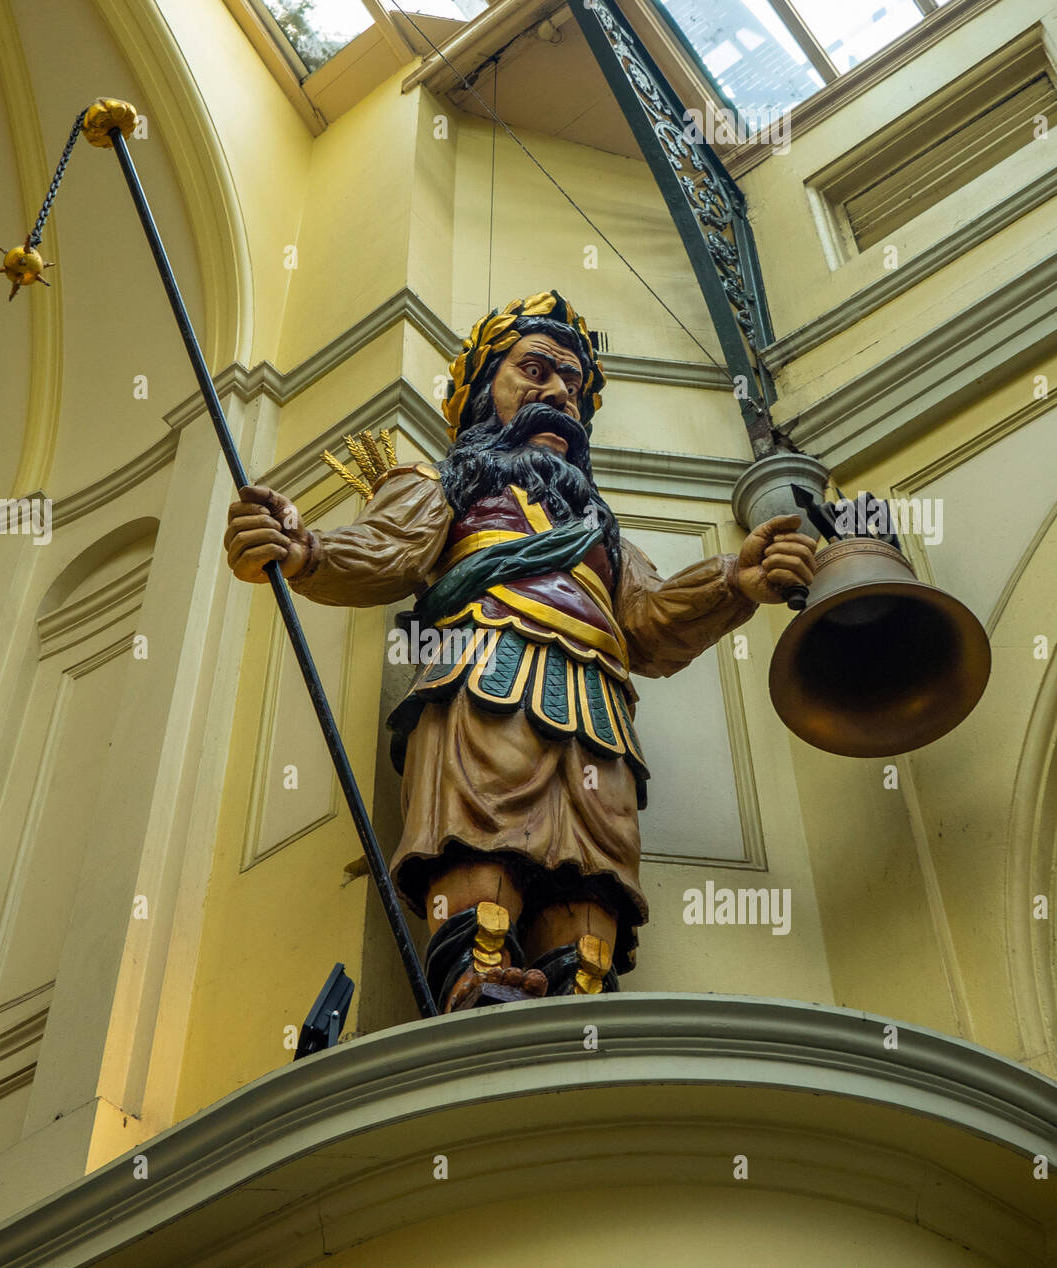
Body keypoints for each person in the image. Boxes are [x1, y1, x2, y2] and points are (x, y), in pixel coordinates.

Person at [224, 291, 816, 1012]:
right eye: (535, 370)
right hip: (487, 674)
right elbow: (389, 554)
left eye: (572, 385)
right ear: (482, 394)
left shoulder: (604, 532)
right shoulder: (445, 486)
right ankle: (475, 981)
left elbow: (651, 624)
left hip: (598, 705)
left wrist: (736, 581)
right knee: (479, 835)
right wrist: (302, 547)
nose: (559, 393)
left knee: (591, 871)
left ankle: (579, 993)